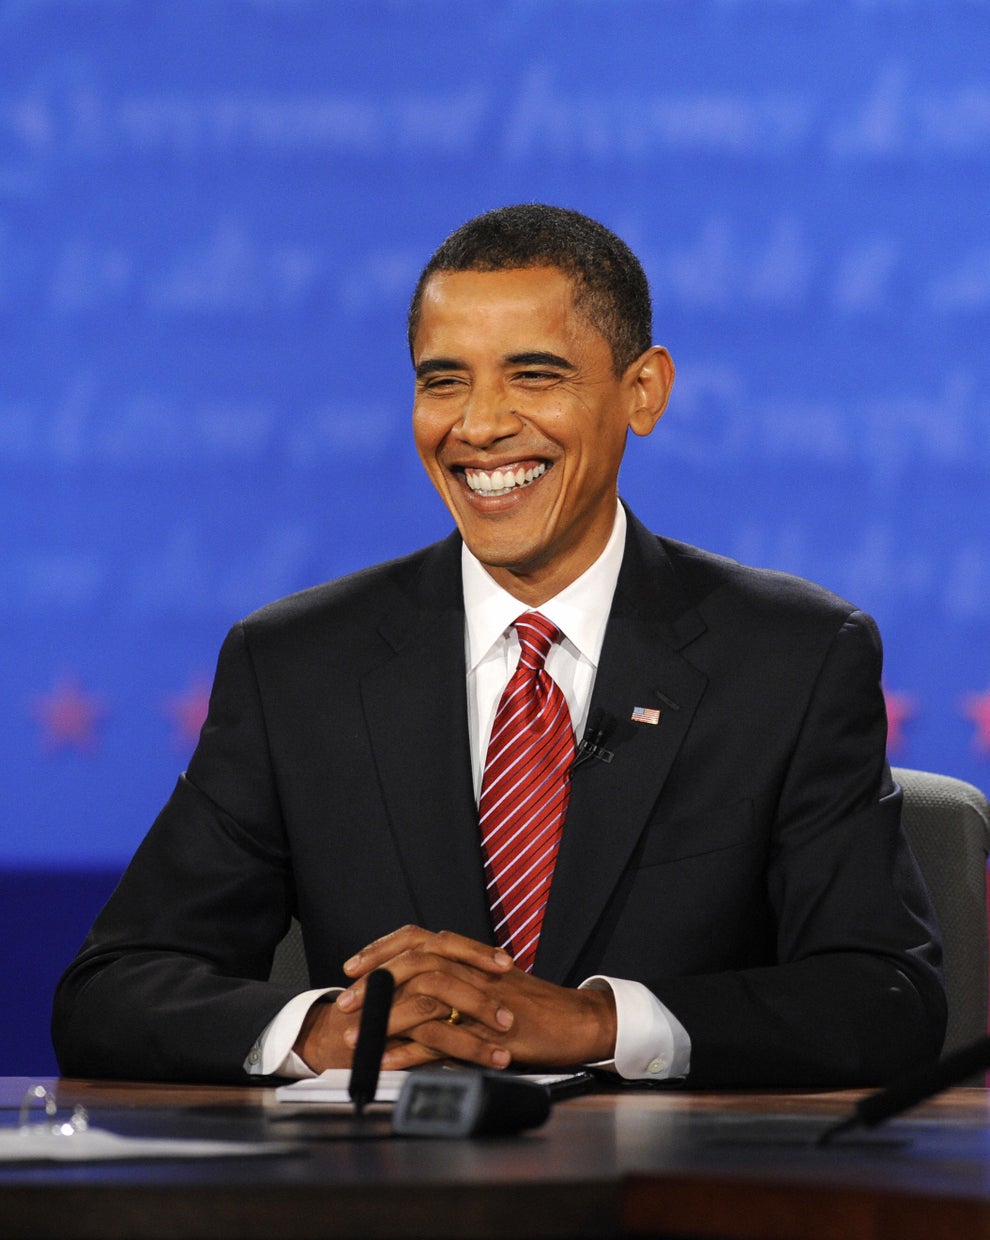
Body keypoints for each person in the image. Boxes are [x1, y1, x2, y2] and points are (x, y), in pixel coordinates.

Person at [52, 204, 945, 1087]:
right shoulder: (295, 666)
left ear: (643, 391)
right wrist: (325, 1032)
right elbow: (111, 991)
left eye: (534, 375)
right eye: (443, 381)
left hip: (666, 1172)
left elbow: (886, 996)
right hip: (389, 1171)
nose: (478, 425)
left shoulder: (793, 659)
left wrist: (599, 1023)